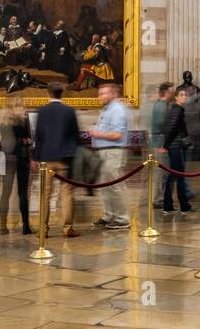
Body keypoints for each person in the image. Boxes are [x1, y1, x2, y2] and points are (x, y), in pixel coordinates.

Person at [33, 81, 81, 237]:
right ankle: (67, 228)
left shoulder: (42, 111)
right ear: (62, 93)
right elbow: (75, 135)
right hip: (65, 157)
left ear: (48, 93)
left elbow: (38, 137)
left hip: (46, 157)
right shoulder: (69, 111)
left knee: (45, 195)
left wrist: (36, 157)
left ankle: (43, 229)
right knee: (67, 193)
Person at [90, 81, 131, 229]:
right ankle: (109, 214)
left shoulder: (117, 110)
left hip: (113, 151)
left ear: (113, 94)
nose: (99, 96)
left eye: (103, 93)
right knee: (105, 186)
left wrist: (97, 133)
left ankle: (122, 218)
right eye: (99, 93)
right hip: (104, 151)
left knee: (114, 185)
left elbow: (117, 134)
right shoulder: (107, 109)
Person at [0, 94, 34, 235]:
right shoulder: (23, 119)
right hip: (21, 156)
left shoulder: (2, 119)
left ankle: (2, 226)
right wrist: (27, 140)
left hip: (6, 156)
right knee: (23, 193)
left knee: (5, 193)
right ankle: (26, 226)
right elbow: (28, 139)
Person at [160, 85, 194, 214]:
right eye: (182, 95)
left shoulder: (177, 109)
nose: (185, 97)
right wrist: (166, 145)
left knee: (173, 176)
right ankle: (183, 205)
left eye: (186, 95)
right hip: (175, 146)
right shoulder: (177, 109)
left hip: (175, 145)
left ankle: (168, 205)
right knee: (179, 176)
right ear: (175, 97)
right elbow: (172, 128)